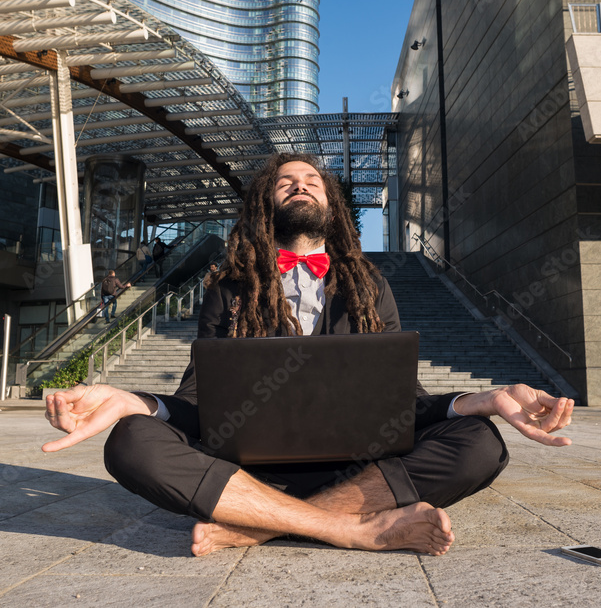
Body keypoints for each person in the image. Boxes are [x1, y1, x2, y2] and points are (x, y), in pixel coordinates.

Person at [44, 152, 574, 557]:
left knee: (481, 442)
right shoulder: (230, 288)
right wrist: (135, 400)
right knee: (131, 443)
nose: (300, 186)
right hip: (248, 474)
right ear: (265, 203)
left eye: (312, 181)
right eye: (286, 181)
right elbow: (196, 402)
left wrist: (484, 398)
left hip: (364, 473)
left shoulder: (370, 285)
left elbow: (406, 403)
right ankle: (347, 528)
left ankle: (259, 527)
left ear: (330, 203)